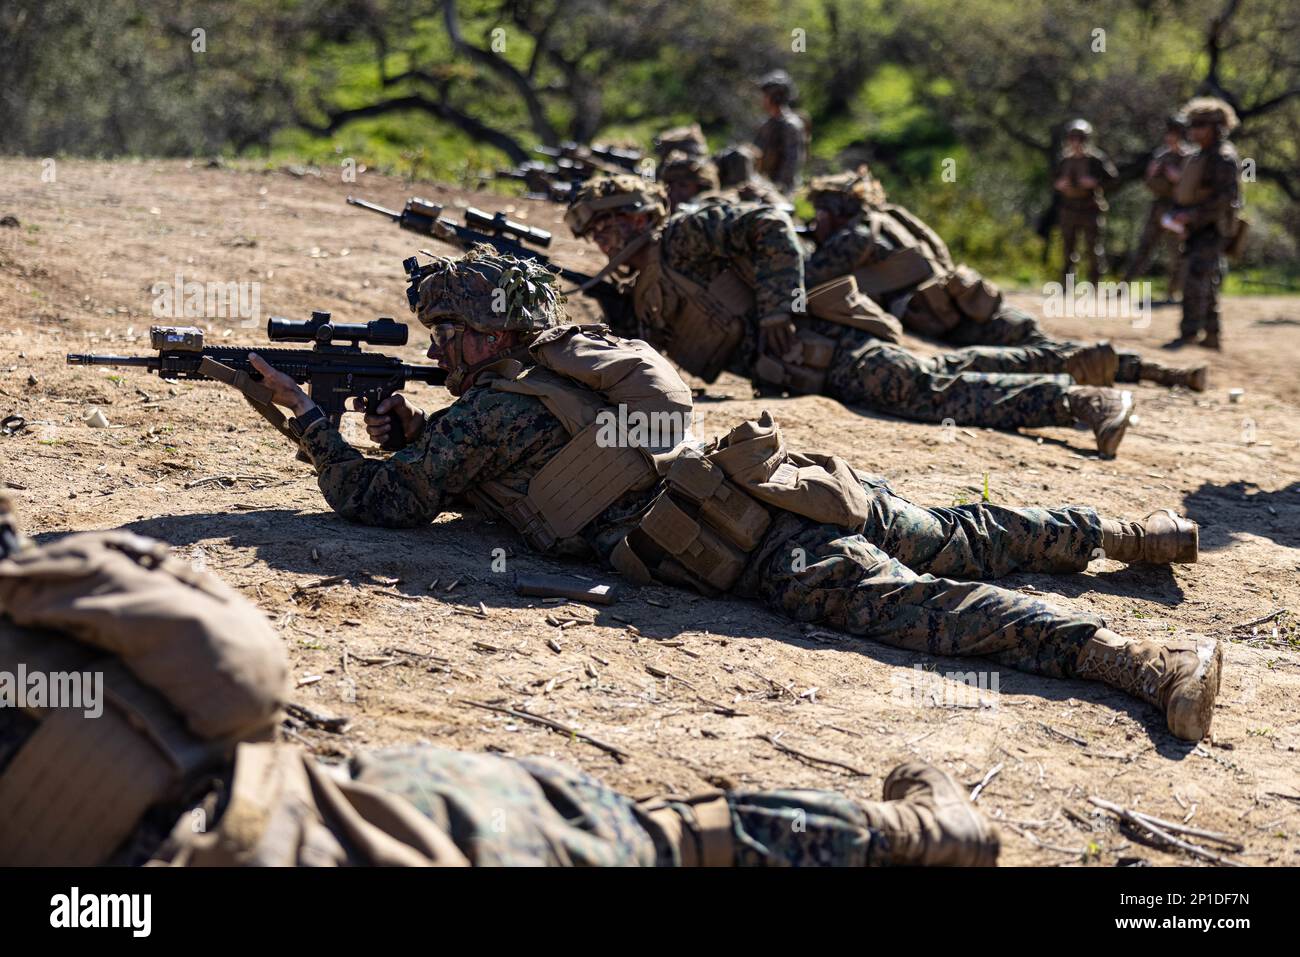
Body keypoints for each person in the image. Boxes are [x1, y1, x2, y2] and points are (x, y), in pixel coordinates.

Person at [232, 248, 1220, 744]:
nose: (436, 345)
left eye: (446, 326)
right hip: (792, 484)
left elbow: (384, 502)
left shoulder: (491, 412)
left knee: (920, 608)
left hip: (756, 544)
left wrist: (299, 418)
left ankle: (1141, 665)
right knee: (960, 530)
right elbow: (483, 473)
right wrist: (412, 436)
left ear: (490, 331)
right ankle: (1130, 532)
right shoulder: (564, 372)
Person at [0, 493, 999, 867]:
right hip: (261, 835)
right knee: (631, 834)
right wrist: (55, 571)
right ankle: (914, 837)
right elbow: (242, 678)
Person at [566, 174, 1139, 457]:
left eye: (607, 225)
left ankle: (1083, 401)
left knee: (922, 388)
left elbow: (769, 225)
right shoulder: (645, 290)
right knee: (934, 373)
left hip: (823, 338)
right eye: (594, 233)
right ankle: (1072, 365)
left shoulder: (684, 236)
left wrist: (776, 311)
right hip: (803, 369)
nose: (601, 240)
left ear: (640, 215)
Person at [805, 168, 1207, 391]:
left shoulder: (854, 236)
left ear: (837, 210)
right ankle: (1155, 371)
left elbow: (808, 278)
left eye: (820, 212)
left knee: (1039, 360)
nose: (816, 220)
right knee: (1045, 350)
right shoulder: (888, 218)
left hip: (950, 314)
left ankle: (1147, 372)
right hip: (972, 296)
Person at [1161, 98, 1243, 351]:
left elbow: (1226, 198)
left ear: (1217, 127)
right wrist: (1178, 215)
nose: (1194, 130)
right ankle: (1211, 335)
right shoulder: (1199, 155)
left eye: (1201, 125)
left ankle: (1190, 333)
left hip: (1213, 229)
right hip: (1196, 228)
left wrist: (1192, 215)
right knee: (1205, 279)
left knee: (1196, 277)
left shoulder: (1223, 158)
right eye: (1193, 125)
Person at [1123, 115, 1191, 299]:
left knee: (1176, 252)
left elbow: (1194, 186)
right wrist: (1151, 175)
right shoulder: (1161, 156)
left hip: (1178, 209)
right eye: (1169, 133)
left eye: (1174, 134)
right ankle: (1124, 287)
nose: (1170, 138)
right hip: (1159, 207)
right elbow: (1150, 183)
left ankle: (1172, 291)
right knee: (1144, 247)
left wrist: (1178, 178)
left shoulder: (1190, 157)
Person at [1052, 119, 1118, 285]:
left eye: (1080, 138)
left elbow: (1113, 179)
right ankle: (1067, 285)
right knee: (1068, 249)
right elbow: (1053, 181)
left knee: (1093, 249)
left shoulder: (1096, 160)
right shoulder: (1063, 160)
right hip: (1068, 209)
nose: (1076, 142)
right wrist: (1059, 185)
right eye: (1073, 138)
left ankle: (1095, 285)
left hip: (1090, 209)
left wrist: (1095, 182)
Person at [753, 70, 807, 194]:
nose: (763, 99)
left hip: (781, 191)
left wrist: (777, 188)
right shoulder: (767, 124)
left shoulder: (791, 125)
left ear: (774, 97)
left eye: (766, 95)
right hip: (763, 186)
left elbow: (792, 162)